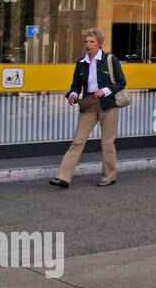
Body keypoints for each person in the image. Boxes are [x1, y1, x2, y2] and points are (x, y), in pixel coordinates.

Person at [49, 27, 127, 189]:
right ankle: (62, 177)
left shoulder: (110, 60)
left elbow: (121, 82)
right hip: (89, 104)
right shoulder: (81, 63)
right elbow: (76, 85)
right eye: (86, 41)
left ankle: (109, 176)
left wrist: (104, 91)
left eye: (92, 41)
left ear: (99, 43)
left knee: (107, 142)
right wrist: (73, 94)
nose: (88, 44)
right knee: (77, 140)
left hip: (108, 104)